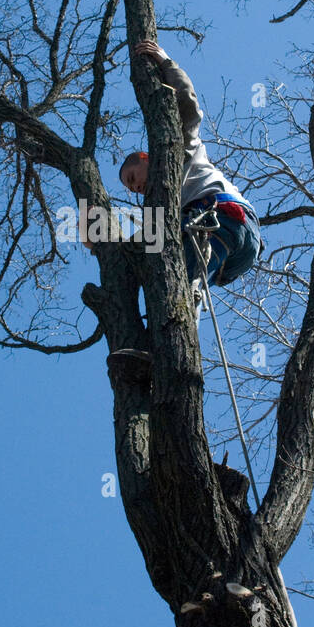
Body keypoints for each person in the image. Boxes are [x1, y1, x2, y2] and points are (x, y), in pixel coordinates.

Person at [105, 40, 263, 384]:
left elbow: (188, 106)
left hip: (224, 214)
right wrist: (99, 238)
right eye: (130, 189)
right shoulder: (164, 209)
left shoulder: (178, 150)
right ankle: (173, 348)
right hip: (233, 250)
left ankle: (166, 352)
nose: (136, 189)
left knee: (177, 277)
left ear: (146, 158)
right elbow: (141, 244)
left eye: (133, 178)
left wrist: (164, 62)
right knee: (172, 270)